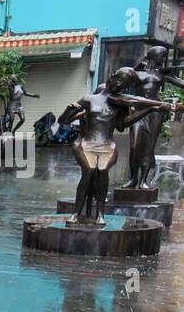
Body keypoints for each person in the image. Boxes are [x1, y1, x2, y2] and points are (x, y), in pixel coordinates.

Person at [56, 67, 175, 226]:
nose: (120, 86)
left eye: (124, 85)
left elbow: (122, 125)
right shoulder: (89, 99)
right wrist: (68, 110)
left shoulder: (121, 105)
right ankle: (76, 213)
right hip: (88, 144)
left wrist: (150, 109)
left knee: (103, 171)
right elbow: (63, 121)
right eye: (119, 80)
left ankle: (100, 213)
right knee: (90, 170)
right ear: (112, 77)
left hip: (107, 145)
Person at [126, 45, 184, 189]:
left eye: (164, 57)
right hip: (139, 111)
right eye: (161, 56)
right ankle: (133, 178)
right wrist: (139, 63)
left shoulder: (162, 75)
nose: (162, 59)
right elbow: (122, 79)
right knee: (135, 146)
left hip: (155, 112)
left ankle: (143, 180)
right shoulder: (137, 73)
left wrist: (173, 75)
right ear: (153, 56)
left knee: (149, 146)